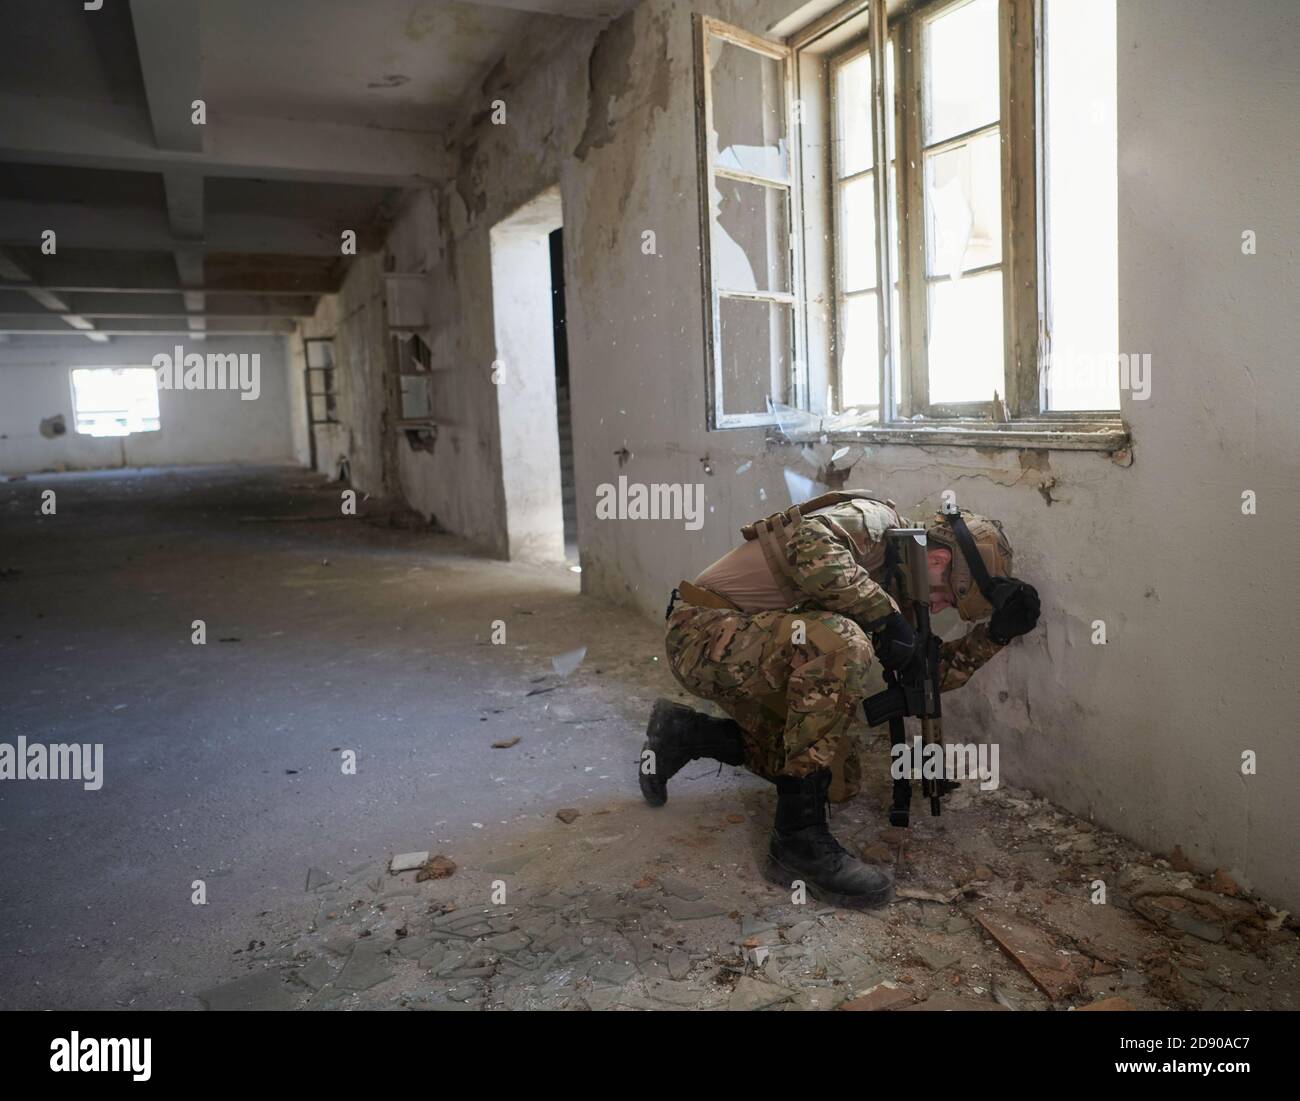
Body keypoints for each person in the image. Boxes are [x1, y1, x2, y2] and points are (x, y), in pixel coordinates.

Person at [639, 492, 1040, 909]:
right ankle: (796, 843)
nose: (939, 607)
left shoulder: (896, 587)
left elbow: (921, 673)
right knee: (841, 643)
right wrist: (885, 620)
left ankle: (687, 734)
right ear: (938, 561)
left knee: (838, 781)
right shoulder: (875, 520)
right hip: (702, 635)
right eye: (949, 597)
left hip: (751, 650)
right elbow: (808, 545)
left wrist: (994, 636)